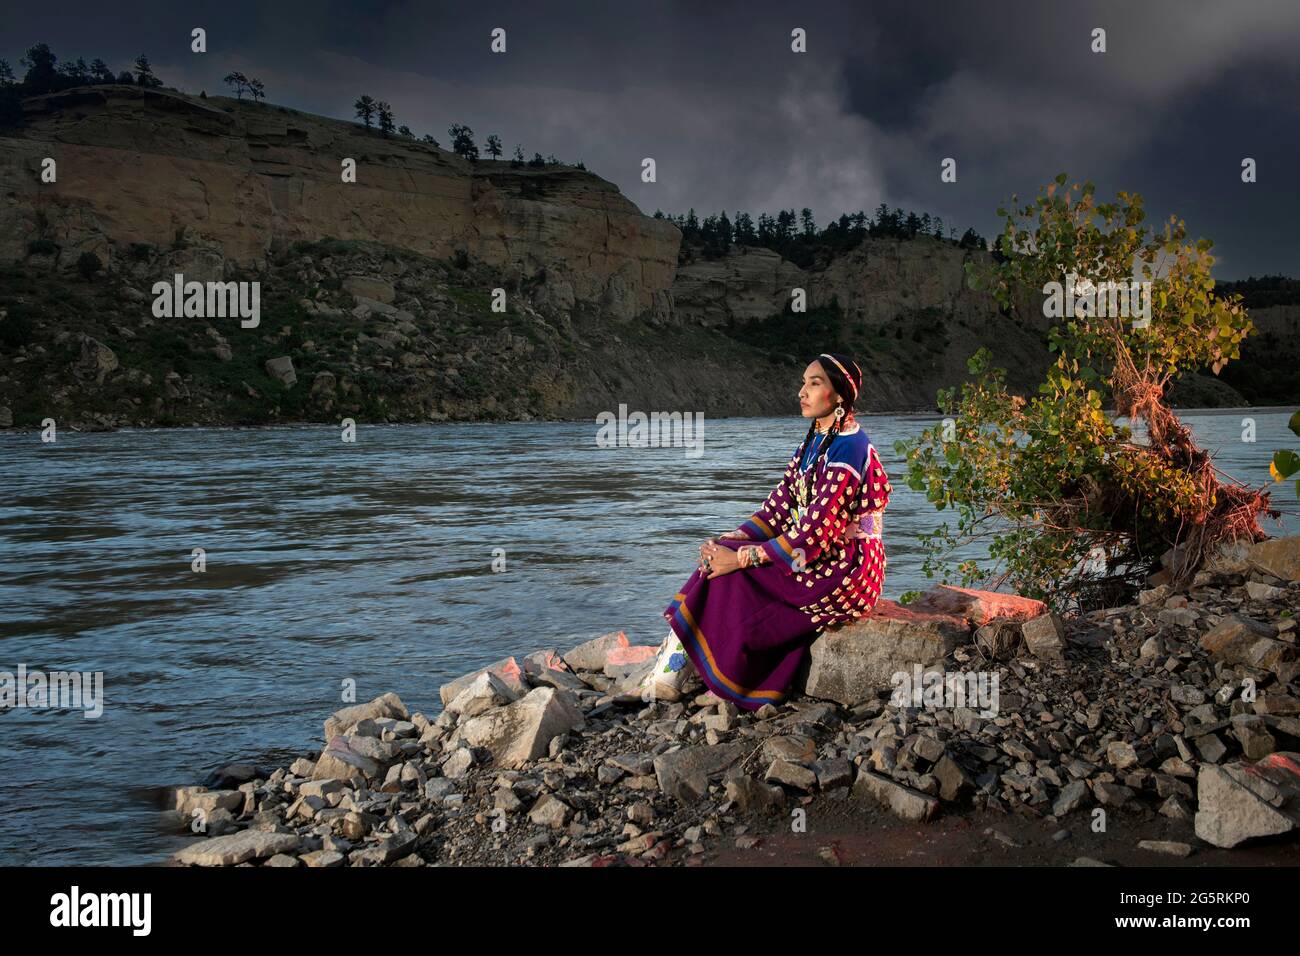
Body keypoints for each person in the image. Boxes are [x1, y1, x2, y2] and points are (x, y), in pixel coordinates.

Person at [617, 352, 892, 708]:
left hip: (846, 566)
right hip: (818, 552)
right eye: (803, 382)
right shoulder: (815, 441)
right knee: (720, 557)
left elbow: (813, 535)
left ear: (839, 396)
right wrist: (730, 542)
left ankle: (690, 675)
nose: (801, 392)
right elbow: (777, 509)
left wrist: (740, 560)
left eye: (814, 383)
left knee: (736, 574)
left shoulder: (849, 448)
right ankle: (671, 672)